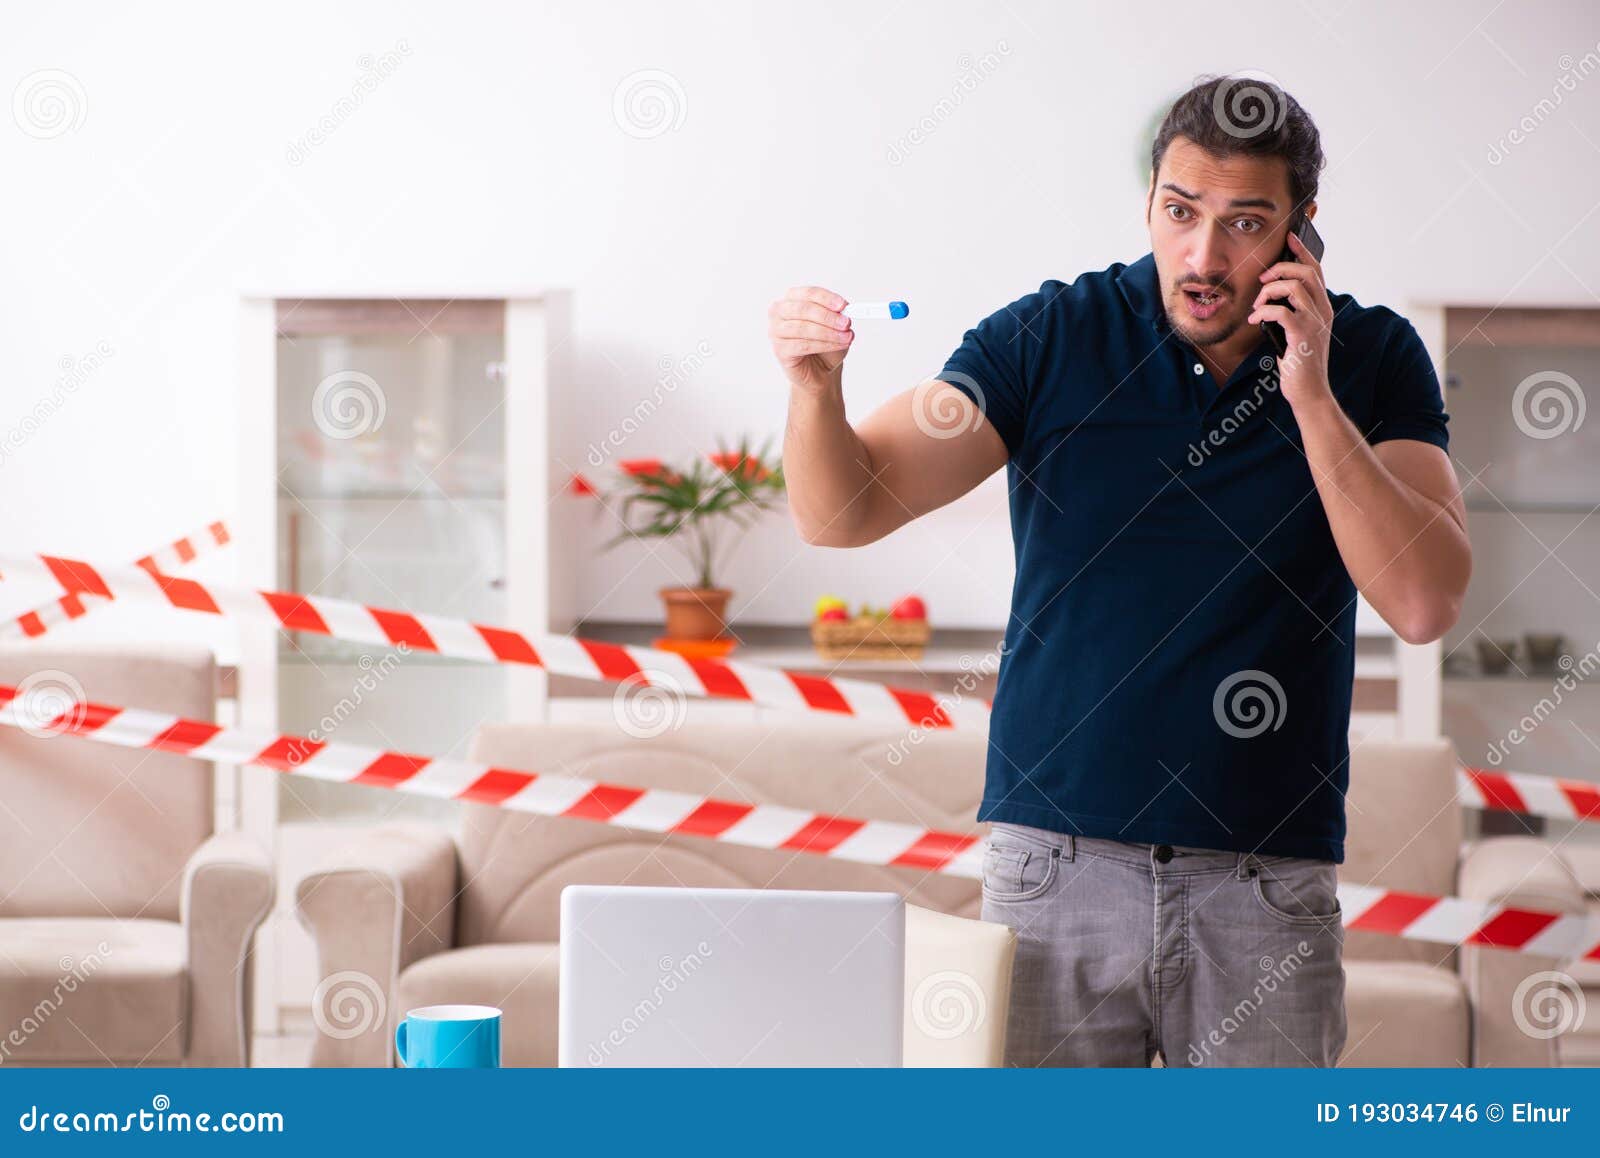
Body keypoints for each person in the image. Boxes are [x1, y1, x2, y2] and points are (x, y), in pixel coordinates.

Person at [768, 74, 1471, 1067]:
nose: (1202, 254)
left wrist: (1310, 394)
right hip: (1054, 868)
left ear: (1300, 232)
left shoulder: (1374, 358)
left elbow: (1423, 598)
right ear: (1148, 202)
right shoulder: (1049, 336)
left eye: (1244, 222)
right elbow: (843, 510)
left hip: (1263, 881)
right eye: (1180, 212)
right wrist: (812, 390)